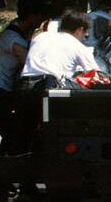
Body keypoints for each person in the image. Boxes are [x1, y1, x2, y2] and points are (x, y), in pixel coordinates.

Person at [13, 11, 99, 153]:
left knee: (24, 130)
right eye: (85, 33)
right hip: (47, 88)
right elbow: (96, 74)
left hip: (24, 86)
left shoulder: (40, 37)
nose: (85, 37)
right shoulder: (78, 46)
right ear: (80, 29)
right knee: (53, 131)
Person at [0, 0, 45, 153]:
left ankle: (4, 157)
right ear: (31, 16)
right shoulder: (13, 39)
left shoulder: (18, 28)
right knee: (14, 133)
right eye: (40, 17)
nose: (41, 21)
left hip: (0, 90)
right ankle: (5, 160)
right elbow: (30, 64)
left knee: (16, 130)